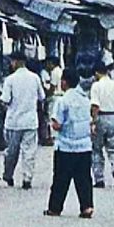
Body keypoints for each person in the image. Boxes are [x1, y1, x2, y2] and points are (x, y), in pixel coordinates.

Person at [45, 67, 95, 219]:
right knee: (84, 179)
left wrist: (52, 125)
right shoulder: (86, 100)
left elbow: (57, 124)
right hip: (84, 146)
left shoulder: (62, 100)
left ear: (64, 82)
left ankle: (55, 208)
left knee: (60, 179)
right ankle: (87, 206)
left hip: (66, 146)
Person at [0, 55, 43, 189]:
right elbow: (42, 97)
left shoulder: (10, 79)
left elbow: (5, 99)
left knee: (11, 151)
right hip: (30, 121)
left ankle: (8, 174)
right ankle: (27, 178)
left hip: (13, 122)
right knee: (29, 151)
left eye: (12, 61)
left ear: (17, 61)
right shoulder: (35, 78)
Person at [89, 62, 114, 190]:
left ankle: (99, 178)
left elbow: (95, 106)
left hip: (101, 117)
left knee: (96, 149)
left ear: (96, 73)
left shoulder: (96, 86)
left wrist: (93, 122)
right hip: (113, 116)